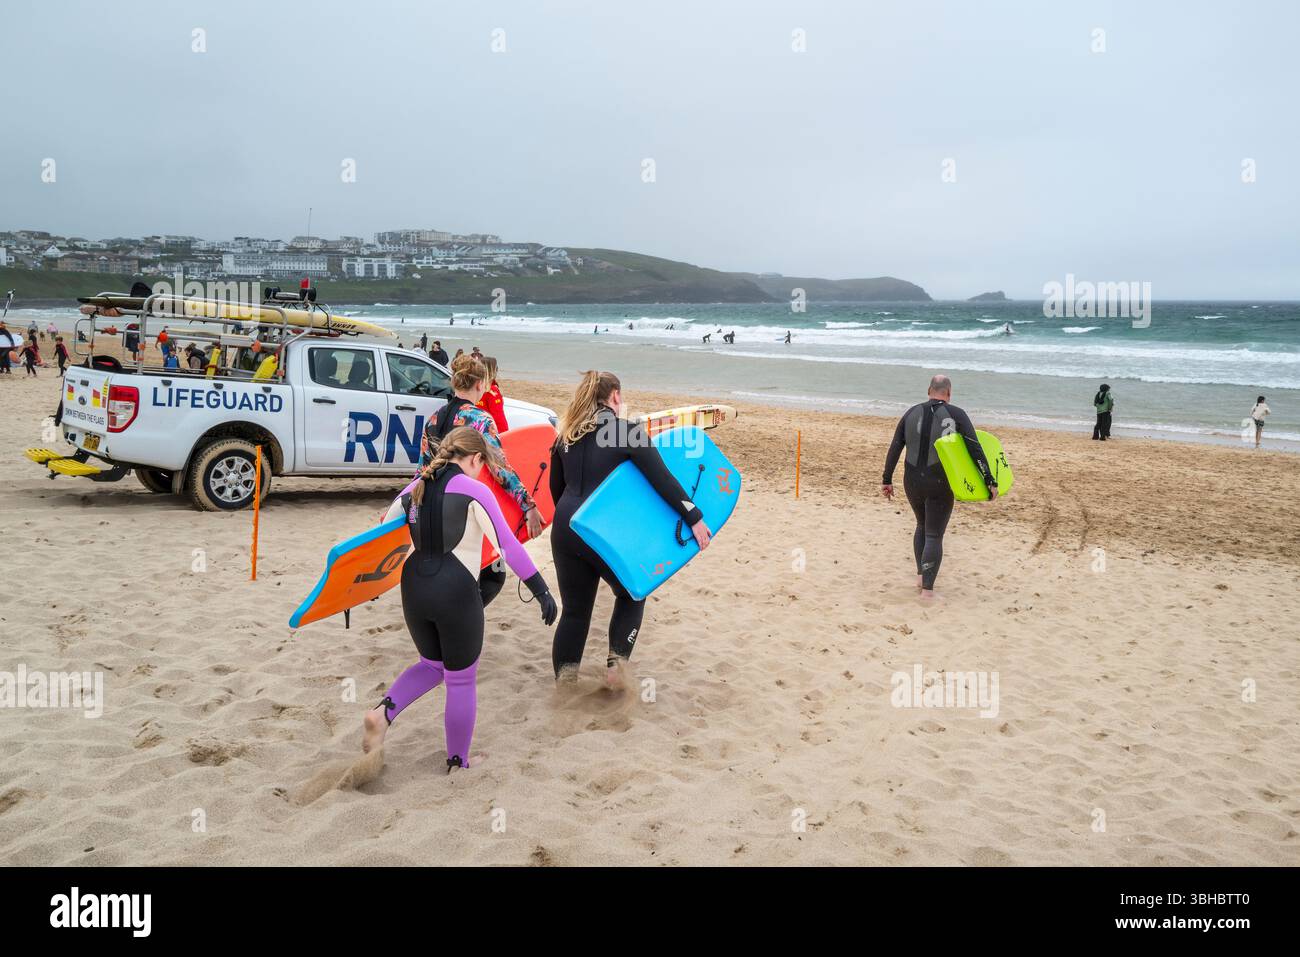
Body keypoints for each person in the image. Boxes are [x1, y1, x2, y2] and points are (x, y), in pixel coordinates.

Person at [362, 427, 557, 771]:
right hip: (455, 591)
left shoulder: (414, 487)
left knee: (431, 665)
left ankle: (382, 714)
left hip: (414, 588)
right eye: (481, 464)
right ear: (475, 458)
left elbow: (381, 532)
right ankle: (457, 761)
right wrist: (541, 590)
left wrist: (363, 585)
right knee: (460, 678)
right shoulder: (474, 490)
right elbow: (507, 546)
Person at [548, 371, 712, 686]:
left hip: (566, 529)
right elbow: (662, 479)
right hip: (600, 531)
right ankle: (614, 671)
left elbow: (557, 489)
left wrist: (571, 525)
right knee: (632, 592)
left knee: (575, 612)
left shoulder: (564, 436)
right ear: (615, 397)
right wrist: (693, 516)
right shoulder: (626, 432)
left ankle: (565, 686)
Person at [422, 354, 543, 605]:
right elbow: (501, 468)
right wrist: (528, 505)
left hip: (434, 508)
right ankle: (465, 621)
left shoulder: (433, 418)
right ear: (480, 384)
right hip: (466, 508)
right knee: (492, 577)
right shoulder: (480, 419)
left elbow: (422, 470)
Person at [881, 374, 996, 599]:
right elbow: (975, 449)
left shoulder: (911, 412)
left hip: (911, 481)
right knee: (934, 534)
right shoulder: (957, 414)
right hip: (940, 483)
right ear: (949, 394)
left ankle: (921, 577)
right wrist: (989, 480)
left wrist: (887, 479)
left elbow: (895, 447)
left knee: (921, 525)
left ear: (928, 390)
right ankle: (927, 593)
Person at [476, 356, 509, 434]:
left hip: (479, 429)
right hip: (492, 432)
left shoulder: (475, 387)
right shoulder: (492, 390)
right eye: (496, 367)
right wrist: (504, 434)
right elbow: (498, 417)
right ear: (492, 370)